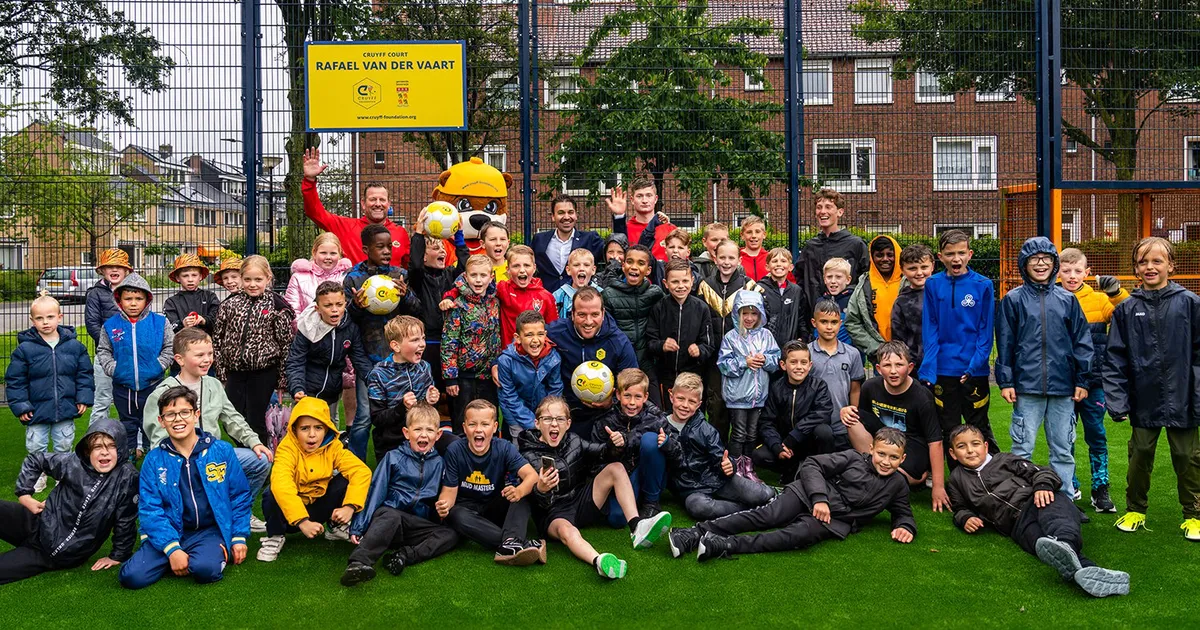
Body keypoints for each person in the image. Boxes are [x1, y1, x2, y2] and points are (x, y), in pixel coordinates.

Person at [667, 427, 916, 561]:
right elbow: (812, 464)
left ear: (902, 459)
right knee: (768, 516)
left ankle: (723, 545)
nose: (885, 461)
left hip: (833, 521)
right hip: (806, 495)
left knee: (796, 536)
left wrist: (905, 526)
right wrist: (820, 498)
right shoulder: (852, 457)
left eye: (893, 458)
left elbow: (903, 512)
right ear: (871, 449)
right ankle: (693, 533)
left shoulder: (897, 485)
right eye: (881, 454)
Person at [946, 424, 1129, 597]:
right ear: (953, 454)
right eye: (962, 446)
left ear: (986, 446)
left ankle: (1065, 543)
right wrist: (966, 518)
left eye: (975, 444)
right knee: (1043, 546)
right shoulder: (956, 479)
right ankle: (1095, 573)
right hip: (1015, 524)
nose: (970, 450)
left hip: (1038, 500)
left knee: (1059, 524)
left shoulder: (1004, 459)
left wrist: (1042, 486)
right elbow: (959, 507)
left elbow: (1041, 472)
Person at [1104, 237, 1200, 540]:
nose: (1150, 267)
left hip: (1184, 396)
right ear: (1135, 268)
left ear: (1171, 265)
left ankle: (1194, 515)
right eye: (1143, 262)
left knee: (1187, 456)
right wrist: (1117, 401)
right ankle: (1135, 509)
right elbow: (1115, 359)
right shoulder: (1126, 309)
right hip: (1143, 398)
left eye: (1157, 261)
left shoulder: (1190, 303)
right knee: (1141, 452)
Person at [517, 396, 673, 580]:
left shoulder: (573, 440)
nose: (554, 424)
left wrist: (614, 444)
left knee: (616, 468)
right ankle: (599, 561)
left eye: (559, 419)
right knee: (568, 532)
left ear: (568, 424)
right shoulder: (526, 454)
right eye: (548, 419)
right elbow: (532, 501)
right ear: (537, 423)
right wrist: (541, 489)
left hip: (580, 500)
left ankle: (637, 527)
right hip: (554, 514)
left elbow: (601, 453)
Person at [118, 387, 251, 588]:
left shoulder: (221, 451)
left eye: (185, 412)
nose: (178, 419)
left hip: (209, 530)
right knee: (131, 577)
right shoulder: (154, 460)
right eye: (170, 415)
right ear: (161, 421)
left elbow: (239, 496)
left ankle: (205, 554)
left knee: (205, 570)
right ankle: (175, 555)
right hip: (171, 528)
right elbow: (149, 508)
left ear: (196, 415)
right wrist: (172, 549)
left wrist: (239, 535)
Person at [145, 327, 274, 533]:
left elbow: (233, 418)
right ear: (179, 359)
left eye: (210, 354)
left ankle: (239, 511)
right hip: (182, 460)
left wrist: (254, 442)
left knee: (260, 460)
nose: (207, 359)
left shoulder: (213, 384)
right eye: (199, 355)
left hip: (214, 455)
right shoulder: (162, 393)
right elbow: (157, 436)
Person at [996, 237, 1093, 495]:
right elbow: (1004, 342)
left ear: (1054, 263)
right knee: (1022, 447)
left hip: (1063, 387)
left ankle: (1065, 499)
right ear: (1023, 264)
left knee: (1062, 448)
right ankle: (1020, 497)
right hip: (1026, 386)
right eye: (1034, 260)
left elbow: (1082, 341)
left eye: (1046, 259)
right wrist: (1006, 381)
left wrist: (1082, 380)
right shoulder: (1013, 300)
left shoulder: (1067, 299)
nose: (1040, 264)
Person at [0, 420, 136, 584]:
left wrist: (119, 555)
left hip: (56, 552)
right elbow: (35, 460)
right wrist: (24, 495)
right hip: (38, 522)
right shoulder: (73, 463)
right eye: (97, 447)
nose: (104, 452)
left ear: (121, 448)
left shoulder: (127, 478)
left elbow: (125, 520)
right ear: (87, 451)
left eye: (111, 446)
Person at [342, 403, 457, 585]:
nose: (423, 434)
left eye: (429, 430)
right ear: (406, 433)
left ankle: (403, 556)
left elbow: (444, 494)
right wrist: (358, 526)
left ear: (438, 435)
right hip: (388, 518)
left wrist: (441, 511)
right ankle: (359, 563)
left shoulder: (440, 463)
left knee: (450, 534)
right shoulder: (393, 457)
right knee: (390, 515)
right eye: (417, 429)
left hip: (414, 525)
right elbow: (375, 491)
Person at [258, 396, 372, 562]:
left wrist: (350, 506)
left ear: (326, 429)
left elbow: (361, 471)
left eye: (318, 428)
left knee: (347, 479)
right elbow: (282, 484)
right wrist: (303, 521)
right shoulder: (287, 448)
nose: (312, 435)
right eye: (305, 428)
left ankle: (335, 526)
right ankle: (275, 535)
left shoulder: (333, 446)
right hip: (290, 517)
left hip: (320, 506)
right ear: (295, 429)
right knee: (272, 492)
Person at [841, 341, 949, 511]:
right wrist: (846, 411)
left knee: (905, 474)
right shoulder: (870, 387)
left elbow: (935, 442)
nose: (893, 371)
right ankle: (872, 466)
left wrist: (938, 486)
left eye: (899, 365)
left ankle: (890, 476)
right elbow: (864, 418)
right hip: (882, 438)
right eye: (887, 365)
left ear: (910, 367)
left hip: (911, 444)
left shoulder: (922, 397)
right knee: (852, 419)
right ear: (878, 368)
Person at [1058, 247, 1127, 512]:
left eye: (1077, 271)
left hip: (1095, 381)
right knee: (1066, 437)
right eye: (1066, 271)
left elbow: (1127, 312)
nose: (1072, 276)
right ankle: (1070, 485)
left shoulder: (1099, 300)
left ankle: (1100, 488)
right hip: (1063, 382)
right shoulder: (1053, 298)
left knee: (1096, 434)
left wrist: (1115, 292)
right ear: (1058, 272)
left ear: (1087, 272)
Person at [919, 229, 999, 456]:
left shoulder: (983, 285)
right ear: (940, 256)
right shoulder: (932, 284)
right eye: (950, 253)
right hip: (944, 370)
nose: (956, 259)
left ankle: (987, 480)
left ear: (970, 254)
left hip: (974, 370)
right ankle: (957, 483)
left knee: (978, 428)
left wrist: (975, 364)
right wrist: (929, 366)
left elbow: (985, 330)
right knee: (949, 429)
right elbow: (931, 327)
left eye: (961, 253)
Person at [436, 400, 544, 566]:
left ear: (494, 428)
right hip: (467, 510)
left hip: (494, 508)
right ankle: (514, 542)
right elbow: (449, 491)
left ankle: (510, 542)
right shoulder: (455, 450)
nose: (478, 429)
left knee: (523, 494)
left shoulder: (504, 447)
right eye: (472, 424)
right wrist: (443, 506)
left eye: (485, 424)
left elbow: (532, 476)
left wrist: (519, 490)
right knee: (455, 515)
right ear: (464, 428)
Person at [344, 223, 418, 459]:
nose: (387, 251)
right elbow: (346, 319)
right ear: (366, 249)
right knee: (365, 415)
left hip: (398, 357)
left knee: (404, 412)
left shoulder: (400, 275)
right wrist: (356, 306)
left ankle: (405, 459)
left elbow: (416, 310)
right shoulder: (354, 278)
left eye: (390, 246)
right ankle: (355, 466)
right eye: (380, 247)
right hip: (369, 357)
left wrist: (406, 296)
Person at [6, 293, 93, 492]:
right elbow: (15, 380)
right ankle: (38, 474)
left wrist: (82, 398)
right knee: (36, 444)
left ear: (60, 317)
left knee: (64, 443)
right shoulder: (25, 349)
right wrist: (21, 405)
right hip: (36, 410)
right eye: (39, 318)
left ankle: (62, 475)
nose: (45, 322)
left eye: (50, 317)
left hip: (65, 407)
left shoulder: (74, 347)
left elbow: (84, 375)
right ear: (32, 321)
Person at [662, 373, 774, 520]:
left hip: (717, 479)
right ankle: (749, 510)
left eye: (691, 401)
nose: (685, 405)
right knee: (698, 507)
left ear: (699, 404)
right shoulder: (662, 427)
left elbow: (721, 458)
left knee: (760, 494)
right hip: (689, 490)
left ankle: (774, 496)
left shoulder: (706, 429)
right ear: (671, 396)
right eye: (680, 399)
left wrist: (729, 466)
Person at [212, 255, 294, 446]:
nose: (252, 284)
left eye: (258, 279)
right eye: (247, 279)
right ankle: (246, 453)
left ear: (268, 278)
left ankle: (261, 462)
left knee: (256, 419)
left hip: (264, 372)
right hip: (235, 372)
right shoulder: (229, 304)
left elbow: (285, 344)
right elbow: (218, 339)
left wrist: (282, 378)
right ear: (241, 278)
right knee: (232, 418)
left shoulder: (277, 306)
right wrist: (222, 372)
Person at [96, 272, 173, 457]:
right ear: (119, 300)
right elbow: (103, 350)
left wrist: (158, 366)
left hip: (153, 385)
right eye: (128, 298)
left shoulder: (160, 322)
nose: (133, 303)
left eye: (138, 298)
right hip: (123, 387)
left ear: (147, 299)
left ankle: (152, 454)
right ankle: (128, 456)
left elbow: (170, 346)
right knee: (128, 424)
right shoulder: (110, 325)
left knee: (153, 421)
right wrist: (114, 369)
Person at [547, 287, 638, 437]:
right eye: (582, 315)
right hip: (564, 414)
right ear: (572, 315)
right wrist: (499, 362)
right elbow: (525, 340)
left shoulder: (618, 342)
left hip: (604, 415)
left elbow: (633, 384)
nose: (589, 321)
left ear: (603, 314)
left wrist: (612, 401)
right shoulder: (556, 333)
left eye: (595, 314)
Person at [302, 147, 411, 266]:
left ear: (388, 204)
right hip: (355, 284)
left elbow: (409, 269)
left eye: (382, 200)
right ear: (363, 204)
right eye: (373, 199)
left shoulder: (401, 233)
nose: (378, 204)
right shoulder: (346, 227)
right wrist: (309, 180)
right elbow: (315, 212)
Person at [752, 341, 840, 483]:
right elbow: (767, 421)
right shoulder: (776, 388)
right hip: (785, 444)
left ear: (810, 365)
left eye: (804, 362)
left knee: (824, 432)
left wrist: (794, 438)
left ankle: (823, 471)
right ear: (783, 365)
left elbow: (822, 413)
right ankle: (791, 468)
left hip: (808, 442)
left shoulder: (818, 386)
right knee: (759, 455)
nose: (799, 367)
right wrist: (777, 446)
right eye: (793, 362)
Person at [698, 239, 761, 437]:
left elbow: (760, 319)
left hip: (742, 357)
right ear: (714, 259)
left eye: (731, 258)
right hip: (714, 356)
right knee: (716, 404)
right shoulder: (705, 285)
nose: (726, 262)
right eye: (722, 257)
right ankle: (718, 450)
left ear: (739, 259)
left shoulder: (749, 286)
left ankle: (741, 452)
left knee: (741, 406)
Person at [285, 280, 374, 416]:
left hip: (331, 393)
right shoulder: (307, 328)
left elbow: (360, 359)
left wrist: (375, 380)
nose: (334, 309)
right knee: (307, 431)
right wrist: (297, 388)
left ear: (345, 304)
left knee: (330, 429)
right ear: (317, 308)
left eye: (339, 304)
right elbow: (296, 360)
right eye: (328, 305)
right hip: (306, 392)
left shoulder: (350, 328)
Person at [592, 368, 670, 518]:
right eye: (627, 396)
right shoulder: (605, 421)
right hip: (624, 475)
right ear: (618, 394)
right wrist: (613, 448)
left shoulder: (656, 418)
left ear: (646, 397)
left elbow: (676, 454)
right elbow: (595, 464)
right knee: (617, 518)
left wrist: (667, 444)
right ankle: (635, 497)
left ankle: (651, 502)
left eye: (638, 396)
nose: (632, 403)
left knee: (650, 440)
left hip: (650, 472)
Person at [718, 289, 780, 477]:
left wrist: (765, 360)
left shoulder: (766, 336)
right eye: (745, 313)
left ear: (760, 314)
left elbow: (776, 359)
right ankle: (735, 468)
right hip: (738, 395)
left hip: (758, 396)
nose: (750, 318)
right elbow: (723, 364)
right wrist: (744, 362)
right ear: (738, 313)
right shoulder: (731, 337)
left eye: (754, 313)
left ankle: (749, 467)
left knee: (752, 433)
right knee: (738, 432)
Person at [409, 206, 469, 396]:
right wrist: (419, 233)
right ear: (424, 256)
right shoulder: (419, 278)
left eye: (443, 247)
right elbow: (415, 264)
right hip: (429, 344)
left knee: (452, 393)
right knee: (429, 394)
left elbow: (466, 266)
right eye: (435, 247)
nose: (442, 250)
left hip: (451, 343)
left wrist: (459, 235)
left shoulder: (451, 274)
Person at [368, 316, 442, 462]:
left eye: (423, 338)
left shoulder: (424, 367)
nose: (422, 344)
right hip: (391, 442)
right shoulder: (379, 374)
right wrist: (402, 407)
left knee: (452, 445)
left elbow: (426, 411)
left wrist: (430, 401)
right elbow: (377, 418)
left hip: (421, 438)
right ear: (396, 346)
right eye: (415, 340)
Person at [441, 255, 502, 434]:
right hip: (463, 376)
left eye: (483, 275)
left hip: (488, 375)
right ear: (465, 277)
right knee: (463, 420)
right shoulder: (458, 305)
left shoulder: (494, 302)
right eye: (473, 275)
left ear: (491, 277)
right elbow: (449, 342)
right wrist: (450, 377)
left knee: (489, 418)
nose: (478, 279)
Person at [646, 259, 715, 410]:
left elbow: (709, 344)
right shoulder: (659, 308)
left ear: (692, 281)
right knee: (668, 414)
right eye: (675, 282)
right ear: (665, 283)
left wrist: (699, 350)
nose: (681, 286)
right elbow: (650, 342)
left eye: (685, 281)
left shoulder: (701, 308)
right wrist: (662, 345)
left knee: (691, 413)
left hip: (692, 376)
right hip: (666, 375)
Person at [603, 244, 665, 403]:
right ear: (623, 266)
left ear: (648, 270)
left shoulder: (655, 293)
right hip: (620, 360)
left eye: (641, 263)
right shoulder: (609, 295)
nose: (634, 267)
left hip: (646, 359)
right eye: (630, 262)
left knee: (655, 406)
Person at [533, 193, 629, 293]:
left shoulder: (590, 239)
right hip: (547, 299)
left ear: (576, 215)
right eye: (561, 213)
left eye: (570, 212)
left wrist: (619, 217)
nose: (566, 217)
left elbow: (618, 245)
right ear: (553, 216)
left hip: (582, 299)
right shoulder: (539, 240)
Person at [794, 188, 869, 312]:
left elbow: (865, 280)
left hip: (846, 316)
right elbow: (799, 279)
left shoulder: (855, 245)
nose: (823, 212)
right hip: (815, 317)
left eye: (828, 207)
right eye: (819, 207)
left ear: (840, 212)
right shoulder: (810, 247)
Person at [496, 310, 563, 440]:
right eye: (529, 335)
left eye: (540, 334)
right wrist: (530, 422)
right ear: (518, 338)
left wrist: (545, 418)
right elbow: (509, 396)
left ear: (545, 335)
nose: (535, 340)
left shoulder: (553, 358)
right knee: (521, 449)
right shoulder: (506, 361)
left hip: (544, 415)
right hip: (515, 415)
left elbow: (555, 389)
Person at [809, 300, 866, 446]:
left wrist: (854, 417)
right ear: (814, 323)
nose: (829, 327)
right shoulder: (806, 353)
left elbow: (855, 389)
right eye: (824, 322)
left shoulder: (852, 353)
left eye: (834, 322)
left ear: (840, 323)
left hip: (842, 424)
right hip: (814, 424)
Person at [85, 248, 132, 423]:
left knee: (131, 400)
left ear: (126, 270)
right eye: (109, 267)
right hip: (106, 354)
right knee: (102, 400)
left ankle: (136, 444)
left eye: (118, 267)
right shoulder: (95, 293)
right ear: (102, 271)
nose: (114, 270)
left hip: (130, 354)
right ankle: (95, 441)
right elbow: (92, 323)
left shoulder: (134, 291)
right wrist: (110, 344)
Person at [846, 235, 904, 364]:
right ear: (872, 257)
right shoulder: (864, 286)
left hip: (908, 354)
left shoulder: (907, 282)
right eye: (879, 255)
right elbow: (852, 322)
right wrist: (876, 348)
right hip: (880, 356)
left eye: (890, 254)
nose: (885, 259)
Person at [890, 243, 935, 373]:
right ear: (902, 270)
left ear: (932, 266)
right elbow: (898, 339)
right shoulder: (901, 302)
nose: (919, 273)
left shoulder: (943, 293)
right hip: (916, 366)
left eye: (924, 267)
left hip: (945, 362)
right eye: (912, 268)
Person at [283, 231, 352, 315]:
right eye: (323, 253)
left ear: (339, 254)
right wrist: (303, 327)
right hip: (307, 327)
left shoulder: (346, 276)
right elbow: (292, 310)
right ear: (314, 253)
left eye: (333, 253)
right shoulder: (298, 278)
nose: (328, 257)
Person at [761, 247, 807, 355]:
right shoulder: (760, 289)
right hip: (766, 349)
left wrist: (803, 337)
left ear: (791, 267)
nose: (778, 264)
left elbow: (801, 318)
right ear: (767, 266)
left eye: (783, 261)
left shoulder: (797, 291)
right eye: (774, 261)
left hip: (790, 348)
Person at [162, 253, 220, 337]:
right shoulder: (171, 302)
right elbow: (169, 326)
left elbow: (218, 320)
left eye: (194, 275)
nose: (190, 280)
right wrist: (182, 324)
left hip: (207, 344)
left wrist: (204, 320)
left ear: (200, 276)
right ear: (178, 278)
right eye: (185, 276)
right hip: (182, 345)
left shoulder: (210, 297)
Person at [552, 248, 602, 319]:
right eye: (576, 265)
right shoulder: (558, 296)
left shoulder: (601, 294)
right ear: (568, 270)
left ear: (593, 270)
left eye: (586, 265)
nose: (581, 268)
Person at [819, 257, 856, 348]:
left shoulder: (854, 300)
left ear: (848, 279)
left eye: (838, 277)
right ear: (824, 279)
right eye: (829, 277)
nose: (833, 281)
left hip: (849, 352)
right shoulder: (820, 301)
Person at [738, 215, 769, 281]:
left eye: (757, 232)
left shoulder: (771, 258)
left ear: (764, 235)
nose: (753, 236)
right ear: (742, 235)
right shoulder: (735, 258)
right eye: (749, 232)